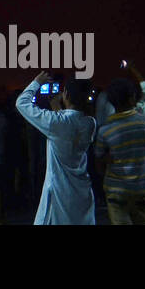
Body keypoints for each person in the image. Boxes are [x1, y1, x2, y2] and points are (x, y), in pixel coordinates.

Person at [15, 72, 96, 225]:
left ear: (66, 94)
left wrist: (36, 82)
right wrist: (57, 106)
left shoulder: (57, 123)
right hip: (82, 190)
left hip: (59, 192)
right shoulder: (90, 123)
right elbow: (68, 126)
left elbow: (21, 103)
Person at [95, 79, 145, 225]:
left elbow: (99, 160)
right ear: (132, 98)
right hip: (141, 188)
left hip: (116, 190)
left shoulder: (105, 130)